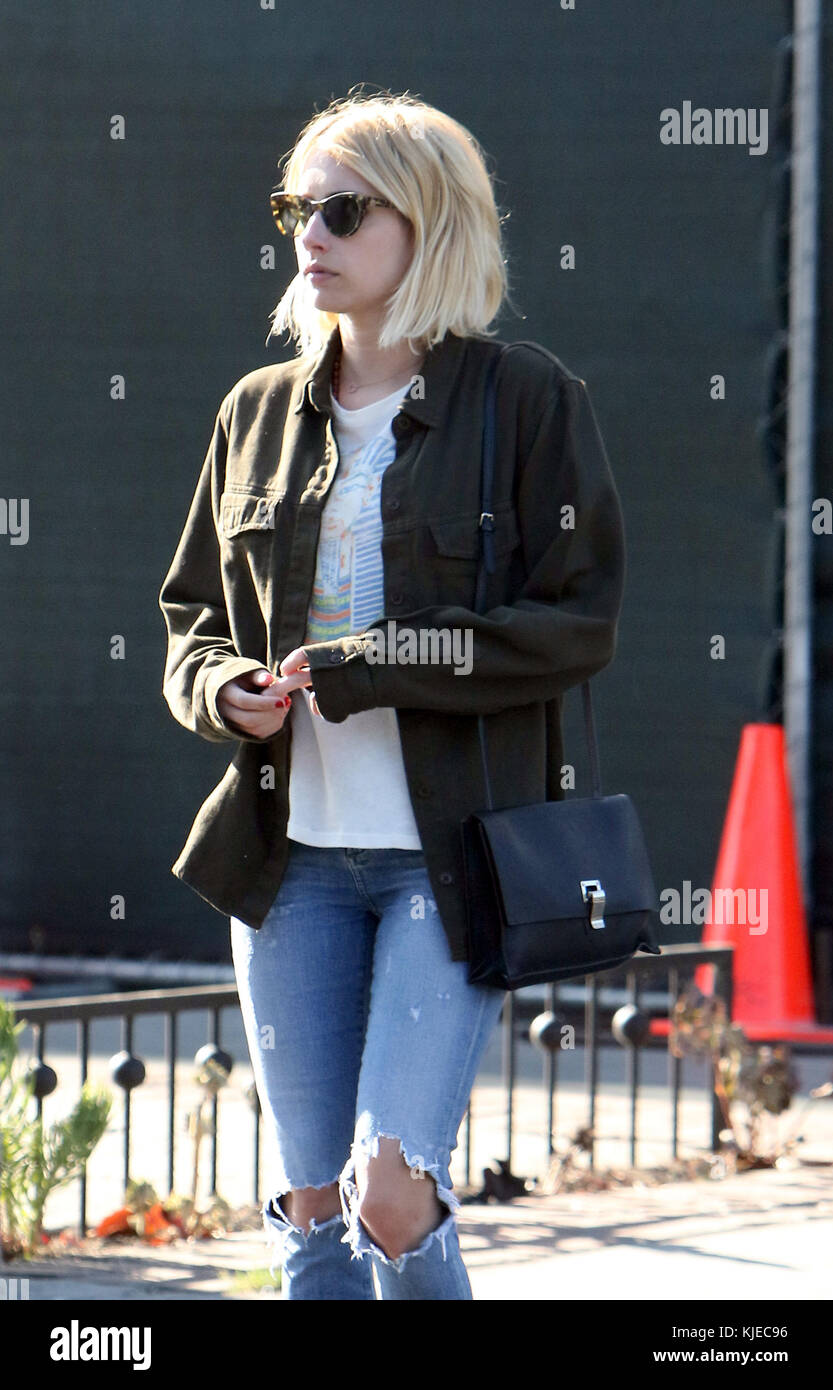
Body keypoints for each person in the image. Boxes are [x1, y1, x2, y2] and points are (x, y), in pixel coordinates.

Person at [159, 89, 626, 1300]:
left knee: (388, 1191)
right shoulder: (253, 414)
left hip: (447, 859)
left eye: (341, 209)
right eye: (293, 209)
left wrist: (380, 667)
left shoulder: (525, 401)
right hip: (288, 859)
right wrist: (224, 689)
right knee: (312, 1202)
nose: (308, 232)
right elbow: (190, 620)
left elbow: (572, 624)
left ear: (429, 225)